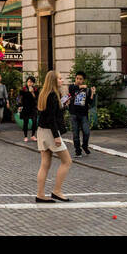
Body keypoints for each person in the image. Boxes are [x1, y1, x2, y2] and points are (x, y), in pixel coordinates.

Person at [35, 70, 73, 203]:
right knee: (67, 161)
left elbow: (49, 114)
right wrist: (56, 136)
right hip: (51, 132)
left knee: (45, 164)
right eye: (60, 79)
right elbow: (51, 118)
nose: (62, 81)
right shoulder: (52, 95)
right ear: (53, 81)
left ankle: (40, 194)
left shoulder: (44, 94)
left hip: (42, 131)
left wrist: (63, 106)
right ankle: (57, 190)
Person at [65, 72, 95, 157]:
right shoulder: (71, 87)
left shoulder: (87, 90)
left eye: (80, 79)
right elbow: (72, 90)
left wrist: (92, 93)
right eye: (77, 78)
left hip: (83, 114)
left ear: (83, 80)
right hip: (74, 113)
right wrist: (81, 86)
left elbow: (90, 102)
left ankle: (85, 146)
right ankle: (78, 151)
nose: (78, 80)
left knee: (86, 132)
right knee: (75, 134)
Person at [18, 77, 38, 142]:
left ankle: (33, 135)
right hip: (25, 107)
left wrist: (32, 92)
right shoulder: (23, 89)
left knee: (34, 121)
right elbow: (20, 98)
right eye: (28, 81)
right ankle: (25, 136)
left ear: (33, 83)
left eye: (31, 82)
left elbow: (36, 98)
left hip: (33, 107)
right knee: (25, 122)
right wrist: (20, 106)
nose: (29, 83)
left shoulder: (35, 89)